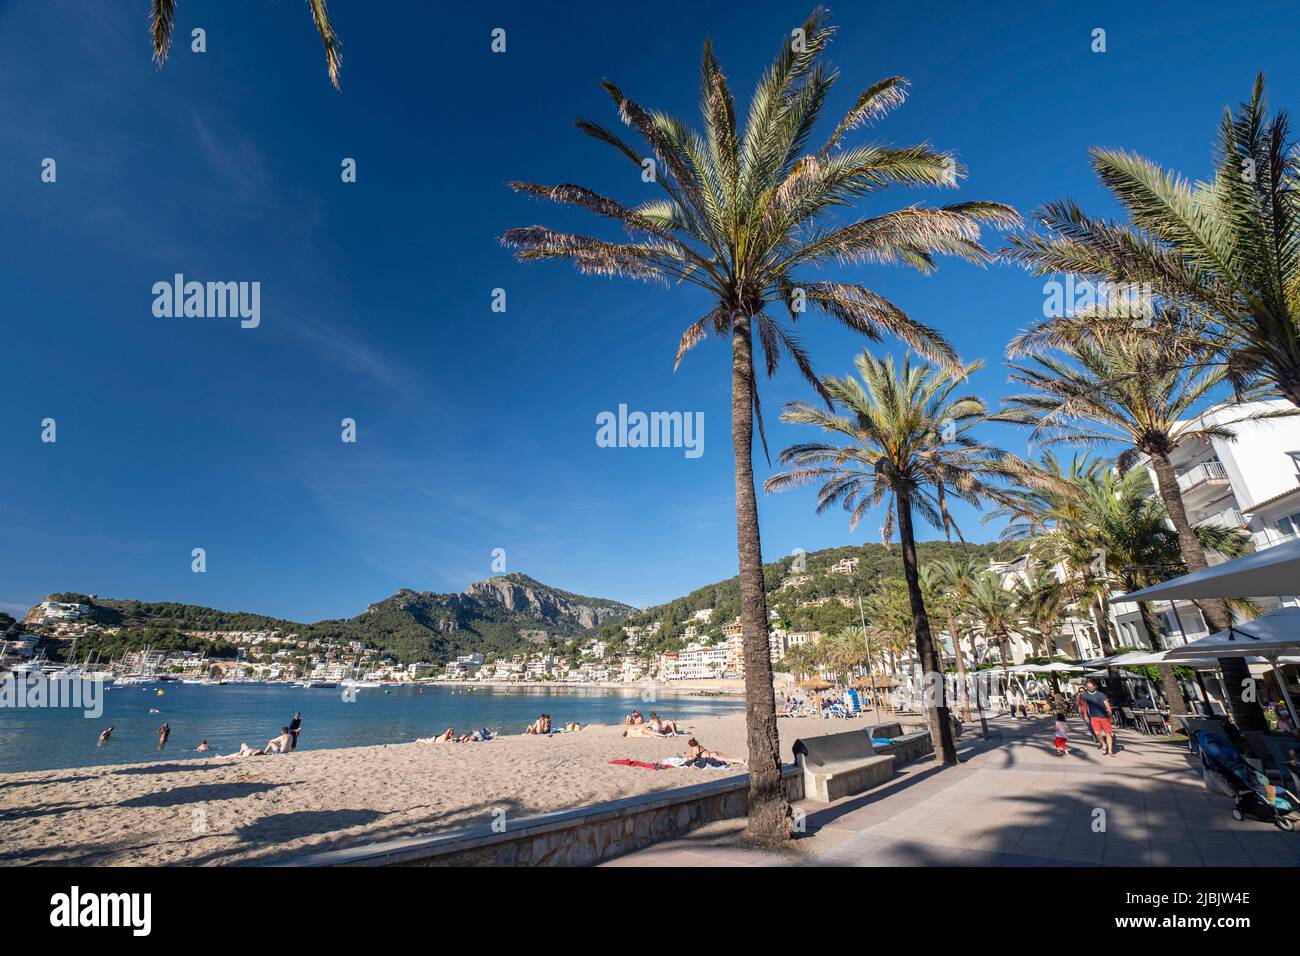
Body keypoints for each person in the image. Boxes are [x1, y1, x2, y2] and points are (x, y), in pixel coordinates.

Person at [1081, 679, 1116, 756]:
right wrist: (1085, 715)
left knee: (1108, 734)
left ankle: (1110, 750)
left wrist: (1110, 716)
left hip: (1104, 717)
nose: (1090, 688)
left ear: (1095, 686)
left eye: (1091, 687)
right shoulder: (1085, 695)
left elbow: (1107, 705)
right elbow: (1084, 706)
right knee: (1097, 733)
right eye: (1088, 687)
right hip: (1093, 717)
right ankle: (1104, 744)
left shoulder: (1101, 694)